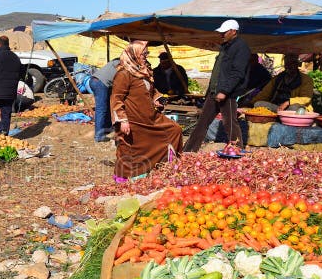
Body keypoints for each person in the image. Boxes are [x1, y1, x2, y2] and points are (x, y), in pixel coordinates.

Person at [110, 41, 183, 179]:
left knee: (174, 130)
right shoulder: (124, 73)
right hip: (133, 118)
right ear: (134, 54)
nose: (146, 56)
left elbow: (150, 89)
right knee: (130, 147)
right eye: (144, 53)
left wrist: (157, 98)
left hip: (149, 116)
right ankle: (125, 176)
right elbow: (116, 98)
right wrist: (122, 120)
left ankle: (164, 166)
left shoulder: (142, 70)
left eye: (146, 53)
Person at [183, 19, 251, 152]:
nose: (222, 35)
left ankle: (236, 150)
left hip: (228, 93)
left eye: (224, 32)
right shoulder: (226, 46)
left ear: (233, 31)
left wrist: (224, 91)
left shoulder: (241, 47)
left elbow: (237, 73)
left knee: (230, 123)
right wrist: (211, 90)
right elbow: (219, 70)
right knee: (202, 122)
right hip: (214, 90)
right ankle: (189, 150)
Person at [248, 53, 314, 112]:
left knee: (295, 108)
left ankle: (284, 116)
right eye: (287, 64)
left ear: (296, 64)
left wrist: (288, 102)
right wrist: (250, 103)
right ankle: (278, 116)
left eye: (292, 64)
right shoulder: (278, 78)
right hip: (277, 107)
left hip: (292, 108)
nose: (289, 66)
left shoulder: (306, 80)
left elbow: (306, 99)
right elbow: (265, 94)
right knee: (258, 104)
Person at [89, 58, 120, 142]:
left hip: (96, 81)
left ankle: (107, 129)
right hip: (100, 83)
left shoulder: (117, 61)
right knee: (101, 109)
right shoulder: (123, 64)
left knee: (106, 106)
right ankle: (99, 136)